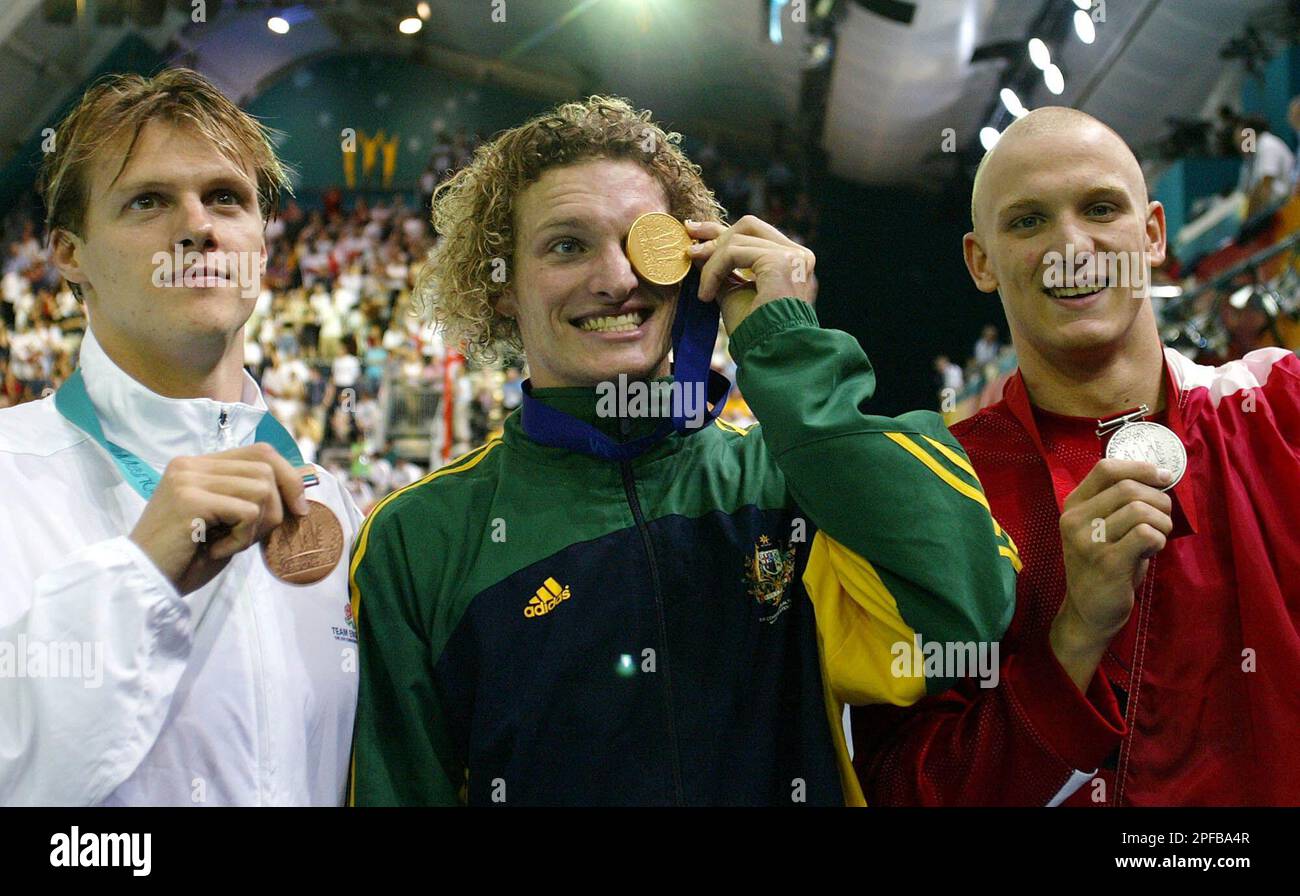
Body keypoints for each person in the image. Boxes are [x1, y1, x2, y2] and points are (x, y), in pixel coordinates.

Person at [348, 96, 1018, 806]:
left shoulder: (787, 477)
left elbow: (966, 608)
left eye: (645, 242)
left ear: (691, 258)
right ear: (505, 286)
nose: (616, 278)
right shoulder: (419, 538)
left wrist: (787, 347)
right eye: (567, 245)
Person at [854, 107, 1300, 806]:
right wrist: (1075, 636)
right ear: (980, 262)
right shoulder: (937, 491)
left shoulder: (1278, 414)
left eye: (1099, 208)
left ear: (1152, 234)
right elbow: (905, 789)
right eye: (1027, 221)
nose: (1070, 246)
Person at [0, 69, 362, 806]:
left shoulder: (336, 508)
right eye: (148, 201)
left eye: (226, 198)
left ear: (262, 242)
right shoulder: (11, 479)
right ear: (69, 254)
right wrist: (139, 580)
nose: (198, 225)